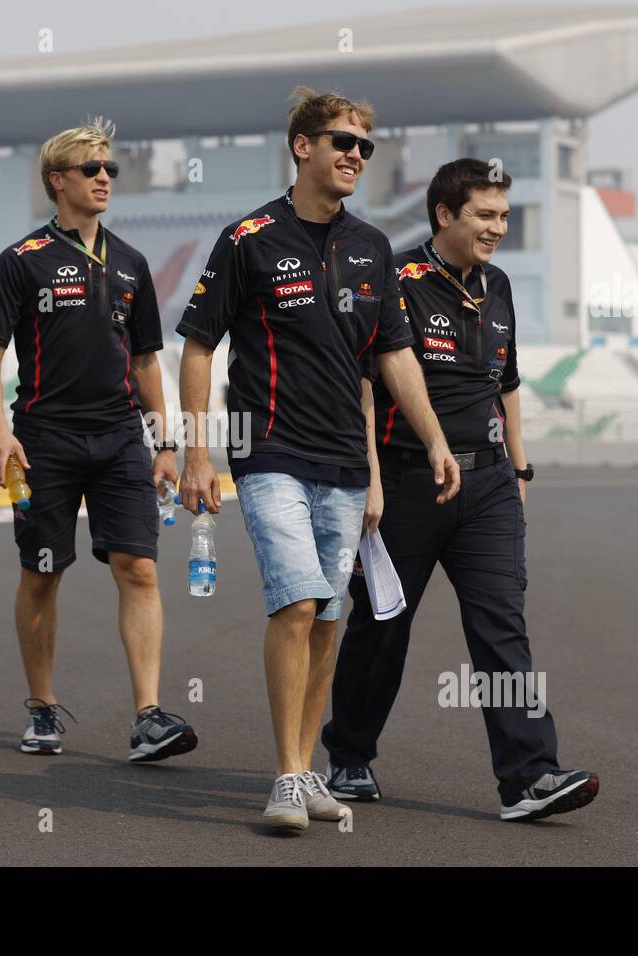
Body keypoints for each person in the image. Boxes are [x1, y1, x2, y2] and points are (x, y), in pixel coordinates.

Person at [177, 88, 460, 831]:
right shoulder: (248, 238)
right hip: (267, 451)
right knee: (297, 602)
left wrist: (430, 439)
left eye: (365, 146)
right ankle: (284, 776)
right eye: (341, 141)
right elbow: (200, 344)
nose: (355, 156)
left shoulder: (373, 249)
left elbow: (394, 359)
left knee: (331, 616)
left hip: (343, 463)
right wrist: (197, 452)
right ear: (302, 146)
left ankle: (305, 770)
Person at [322, 158, 600, 822]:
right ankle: (349, 756)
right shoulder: (397, 280)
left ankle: (529, 777)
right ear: (445, 214)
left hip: (491, 486)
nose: (497, 228)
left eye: (504, 216)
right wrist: (368, 478)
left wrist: (522, 470)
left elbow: (506, 387)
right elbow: (365, 385)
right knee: (382, 626)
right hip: (407, 483)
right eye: (485, 215)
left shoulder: (498, 285)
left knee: (503, 627)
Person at [0, 120, 198, 763]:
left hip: (123, 437)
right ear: (57, 181)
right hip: (42, 442)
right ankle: (41, 708)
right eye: (90, 168)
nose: (104, 177)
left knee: (140, 568)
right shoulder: (21, 260)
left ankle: (148, 718)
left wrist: (166, 443)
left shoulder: (131, 262)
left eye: (110, 169)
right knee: (43, 573)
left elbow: (149, 361)